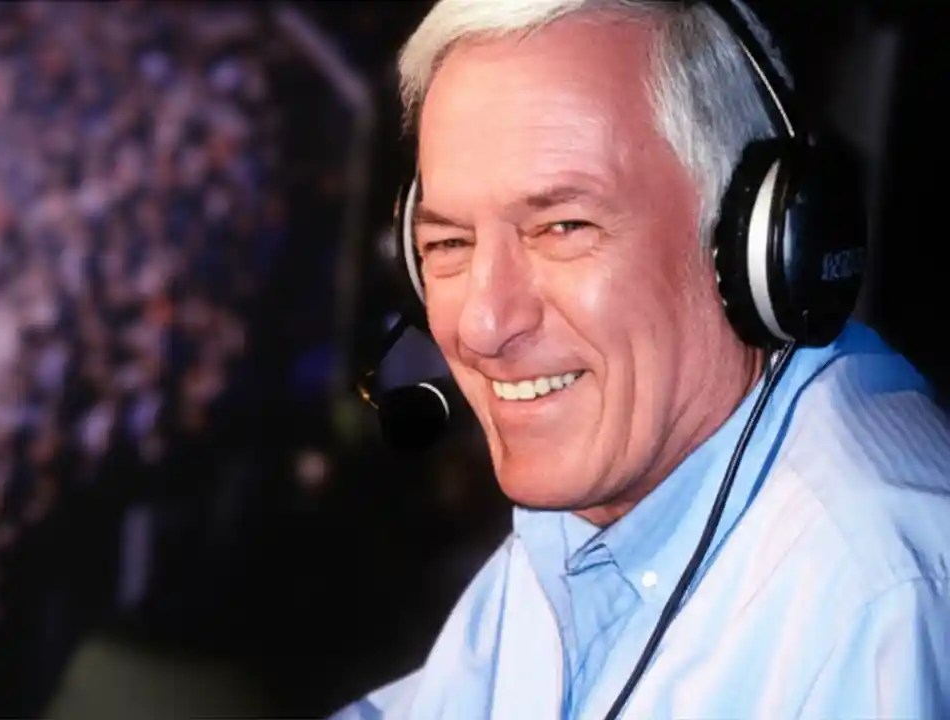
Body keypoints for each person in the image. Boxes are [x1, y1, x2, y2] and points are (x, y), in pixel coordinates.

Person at [335, 1, 950, 718]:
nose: (482, 324)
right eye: (448, 244)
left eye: (564, 227)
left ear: (754, 244)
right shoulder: (601, 503)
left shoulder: (873, 604)